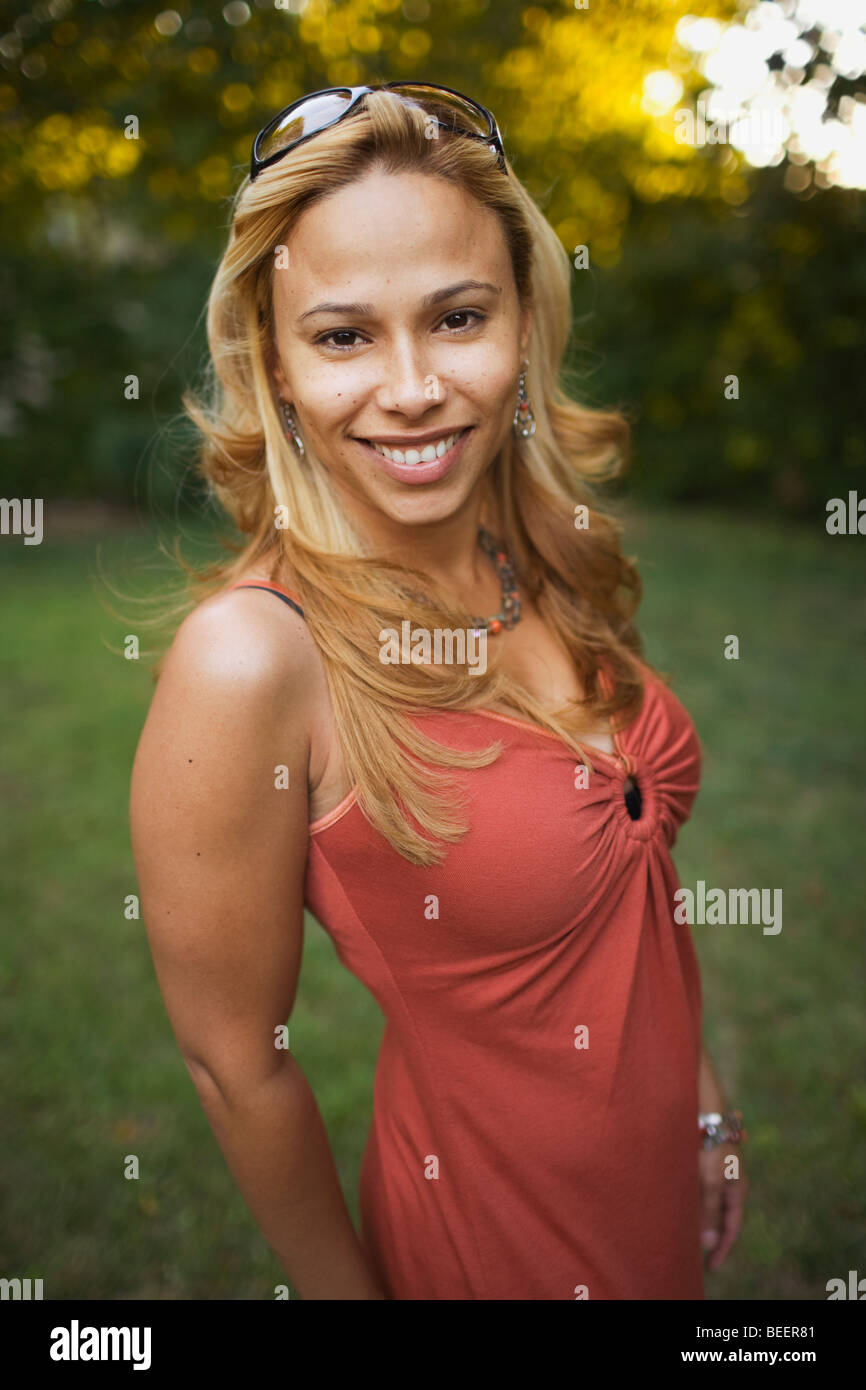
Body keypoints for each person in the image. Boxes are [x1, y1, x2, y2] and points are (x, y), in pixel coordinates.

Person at [130, 83, 748, 1300]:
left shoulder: (538, 543)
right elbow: (233, 1066)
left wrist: (704, 1107)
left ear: (524, 319)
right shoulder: (255, 659)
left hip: (650, 1212)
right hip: (488, 1245)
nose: (411, 388)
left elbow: (636, 880)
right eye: (344, 335)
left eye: (456, 316)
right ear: (276, 364)